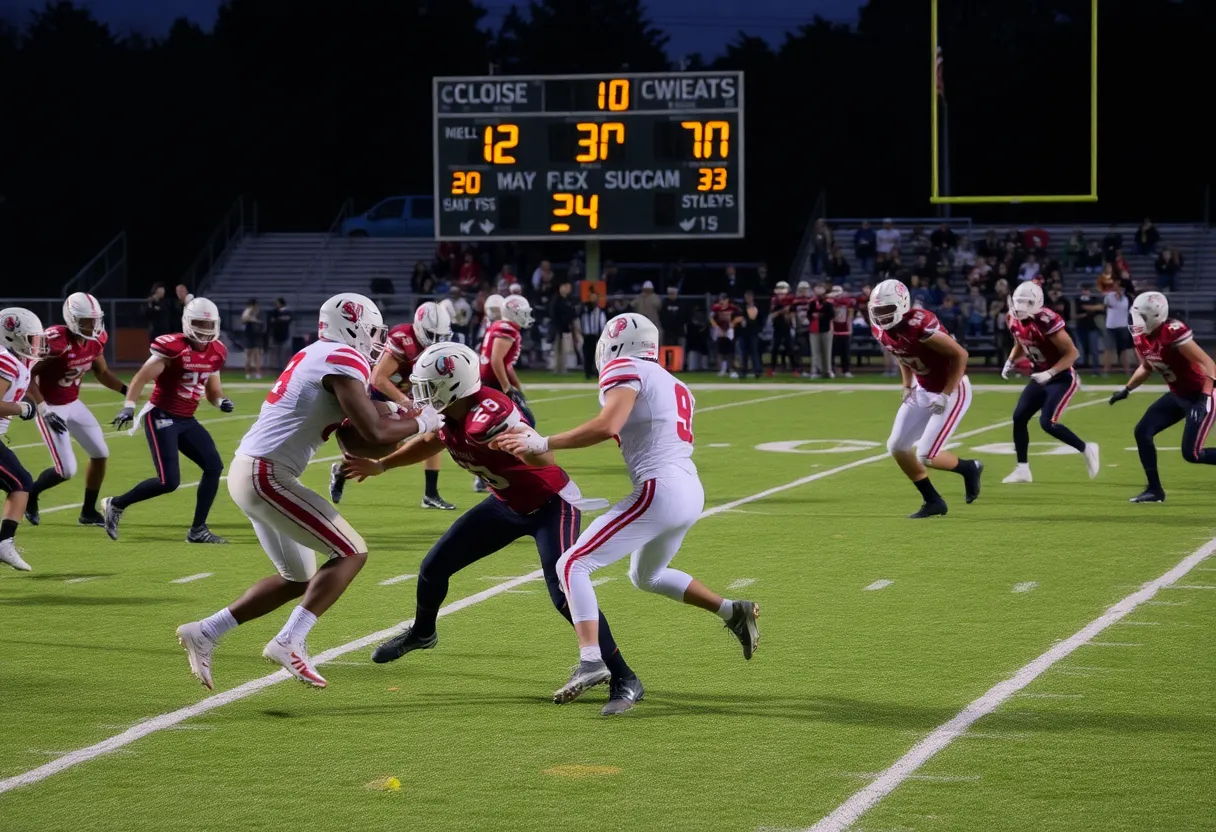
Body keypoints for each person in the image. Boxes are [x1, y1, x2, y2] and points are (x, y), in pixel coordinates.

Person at [345, 342, 644, 715]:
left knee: (564, 593)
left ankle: (624, 677)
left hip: (551, 505)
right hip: (506, 504)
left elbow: (545, 457)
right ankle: (423, 633)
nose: (421, 395)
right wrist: (382, 465)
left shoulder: (488, 414)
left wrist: (524, 443)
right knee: (434, 566)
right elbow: (430, 441)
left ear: (453, 386)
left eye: (428, 387)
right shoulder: (450, 414)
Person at [174, 293, 442, 690]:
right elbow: (373, 432)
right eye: (371, 331)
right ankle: (290, 640)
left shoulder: (318, 354)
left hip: (252, 470)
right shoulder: (343, 357)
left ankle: (206, 631)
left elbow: (355, 441)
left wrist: (397, 420)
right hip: (267, 473)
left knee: (298, 577)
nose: (376, 340)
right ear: (351, 325)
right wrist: (423, 422)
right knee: (351, 551)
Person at [496, 313, 761, 706]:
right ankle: (732, 611)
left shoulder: (624, 367)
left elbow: (608, 424)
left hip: (661, 487)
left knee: (571, 564)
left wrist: (543, 442)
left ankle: (591, 660)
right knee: (646, 575)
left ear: (616, 343)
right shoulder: (673, 382)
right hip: (689, 488)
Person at [104, 298, 232, 544]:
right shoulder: (174, 348)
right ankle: (116, 504)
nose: (204, 329)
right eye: (199, 323)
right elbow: (141, 378)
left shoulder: (216, 351)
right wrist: (129, 407)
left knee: (213, 466)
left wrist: (220, 402)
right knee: (168, 482)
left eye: (208, 324)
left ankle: (198, 530)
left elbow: (213, 391)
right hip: (162, 416)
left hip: (186, 418)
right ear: (187, 322)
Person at [868, 279, 984, 517]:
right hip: (922, 387)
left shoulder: (919, 325)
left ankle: (969, 467)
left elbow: (960, 355)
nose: (881, 316)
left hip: (952, 388)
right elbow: (900, 353)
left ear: (902, 305)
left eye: (886, 310)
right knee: (897, 446)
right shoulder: (879, 329)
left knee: (926, 455)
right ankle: (933, 501)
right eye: (877, 311)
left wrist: (946, 394)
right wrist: (907, 385)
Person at [24, 293, 129, 527]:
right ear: (72, 319)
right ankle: (31, 493)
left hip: (73, 403)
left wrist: (126, 390)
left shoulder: (96, 340)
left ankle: (88, 512)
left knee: (100, 453)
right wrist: (43, 409)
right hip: (51, 407)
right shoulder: (56, 342)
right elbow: (26, 375)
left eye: (95, 320)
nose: (93, 325)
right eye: (86, 321)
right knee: (66, 470)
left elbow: (102, 372)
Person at [339, 301, 454, 510]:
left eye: (441, 336)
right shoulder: (404, 339)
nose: (436, 341)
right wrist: (405, 402)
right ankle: (343, 469)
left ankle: (431, 494)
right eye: (431, 334)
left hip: (411, 392)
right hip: (383, 394)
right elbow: (378, 379)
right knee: (382, 445)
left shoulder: (439, 347)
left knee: (434, 430)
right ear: (419, 327)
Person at [1109, 292, 1216, 503]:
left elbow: (1209, 365)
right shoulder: (1141, 336)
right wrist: (1127, 389)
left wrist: (1204, 399)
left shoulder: (1172, 334)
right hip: (1178, 394)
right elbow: (1146, 367)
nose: (1137, 322)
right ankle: (1155, 490)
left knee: (1192, 454)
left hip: (1202, 393)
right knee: (1142, 432)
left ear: (1156, 316)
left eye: (1142, 317)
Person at [1000, 282, 1100, 484]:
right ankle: (1022, 469)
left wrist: (1051, 372)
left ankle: (1086, 448)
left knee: (1047, 423)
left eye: (1026, 302)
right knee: (1019, 417)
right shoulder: (1012, 317)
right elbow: (1020, 341)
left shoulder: (1046, 321)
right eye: (1018, 301)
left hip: (1061, 377)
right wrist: (1011, 360)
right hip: (1039, 376)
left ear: (1036, 303)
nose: (1020, 307)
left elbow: (1073, 353)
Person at [0, 308, 51, 572]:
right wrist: (21, 408)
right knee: (20, 481)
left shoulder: (16, 360)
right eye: (31, 338)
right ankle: (4, 543)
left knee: (21, 481)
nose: (36, 344)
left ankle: (4, 542)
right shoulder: (5, 361)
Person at [768, 280, 794, 375]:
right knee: (775, 348)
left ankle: (795, 368)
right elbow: (773, 314)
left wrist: (785, 312)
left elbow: (790, 315)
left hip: (787, 328)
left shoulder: (791, 300)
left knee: (789, 348)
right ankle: (772, 369)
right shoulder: (774, 301)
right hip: (777, 328)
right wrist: (782, 311)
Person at [580, 291, 608, 379]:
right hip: (587, 335)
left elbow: (603, 322)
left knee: (597, 355)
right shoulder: (584, 309)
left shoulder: (600, 310)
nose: (593, 299)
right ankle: (588, 372)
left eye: (595, 297)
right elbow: (581, 321)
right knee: (587, 354)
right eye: (592, 297)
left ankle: (596, 372)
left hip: (597, 335)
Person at [266, 298, 293, 369]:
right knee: (276, 352)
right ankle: (276, 367)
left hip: (284, 335)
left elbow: (288, 319)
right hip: (276, 335)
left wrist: (278, 319)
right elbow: (271, 320)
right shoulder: (274, 312)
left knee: (284, 352)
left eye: (277, 303)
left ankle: (284, 367)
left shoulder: (287, 312)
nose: (276, 305)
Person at [241, 298, 263, 379]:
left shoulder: (258, 313)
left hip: (256, 336)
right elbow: (244, 319)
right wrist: (249, 312)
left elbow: (261, 322)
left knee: (257, 356)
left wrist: (255, 320)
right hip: (248, 336)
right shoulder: (247, 311)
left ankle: (258, 373)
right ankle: (247, 373)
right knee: (248, 356)